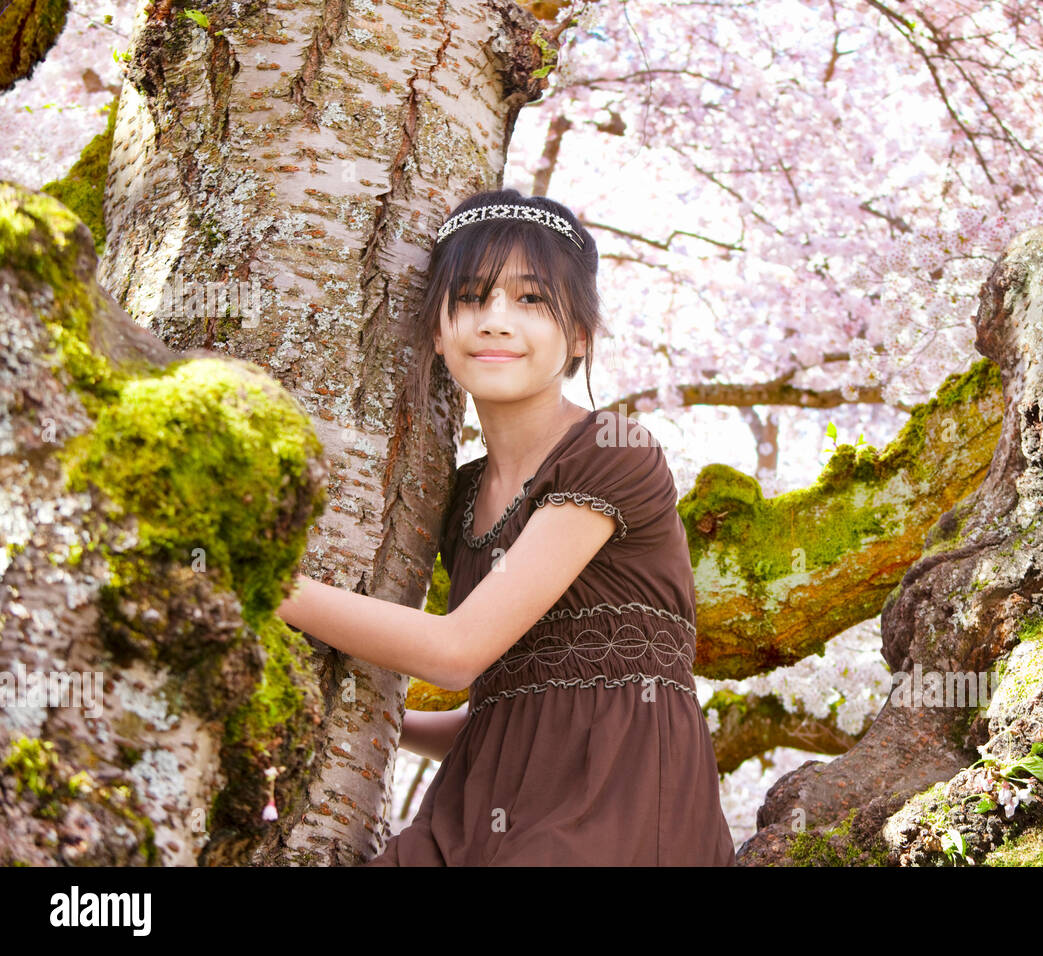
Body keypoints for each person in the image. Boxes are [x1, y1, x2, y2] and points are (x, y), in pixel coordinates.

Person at [276, 188, 737, 865]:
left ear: (579, 334)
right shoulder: (459, 497)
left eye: (530, 299)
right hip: (478, 806)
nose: (494, 321)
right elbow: (516, 706)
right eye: (469, 297)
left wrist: (264, 587)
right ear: (437, 328)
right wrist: (368, 718)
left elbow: (457, 652)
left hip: (615, 807)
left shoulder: (612, 450)